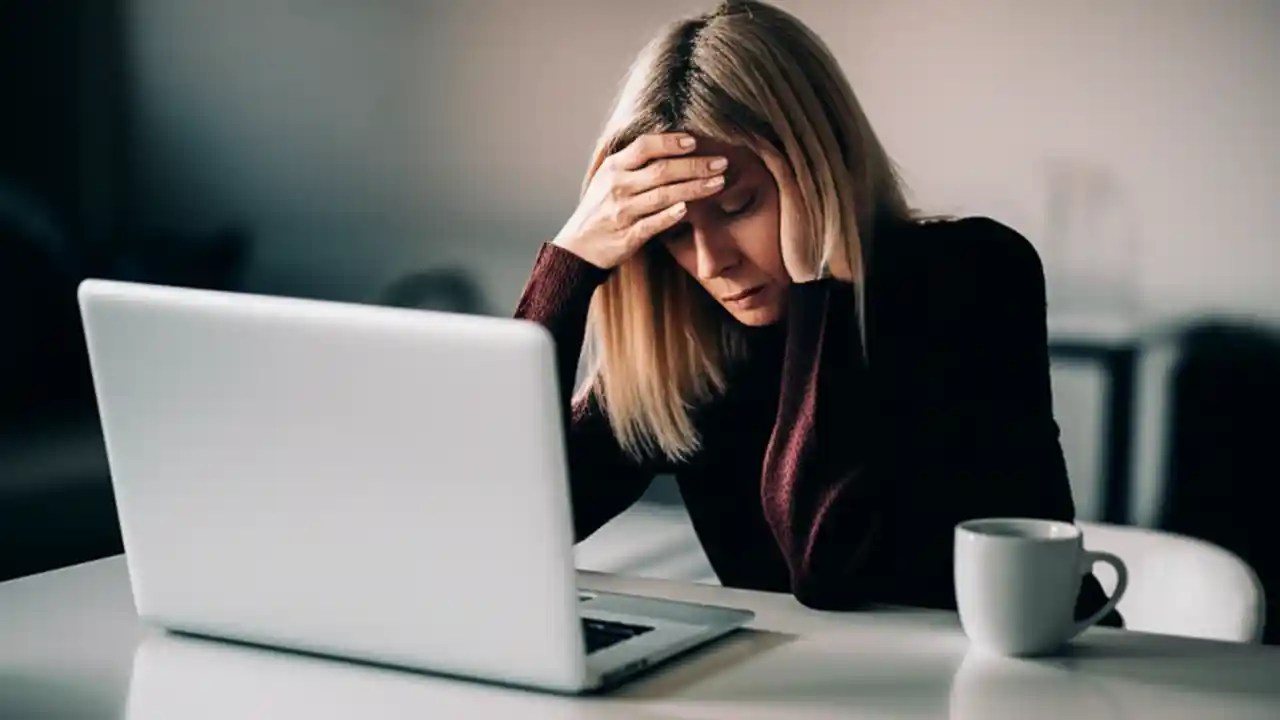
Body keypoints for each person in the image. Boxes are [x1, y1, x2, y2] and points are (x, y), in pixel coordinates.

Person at [515, 0, 1118, 621]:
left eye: (739, 206)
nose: (710, 262)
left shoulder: (977, 272)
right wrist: (569, 267)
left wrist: (818, 288)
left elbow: (830, 571)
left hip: (1046, 679)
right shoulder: (693, 344)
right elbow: (505, 524)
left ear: (820, 172)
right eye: (671, 232)